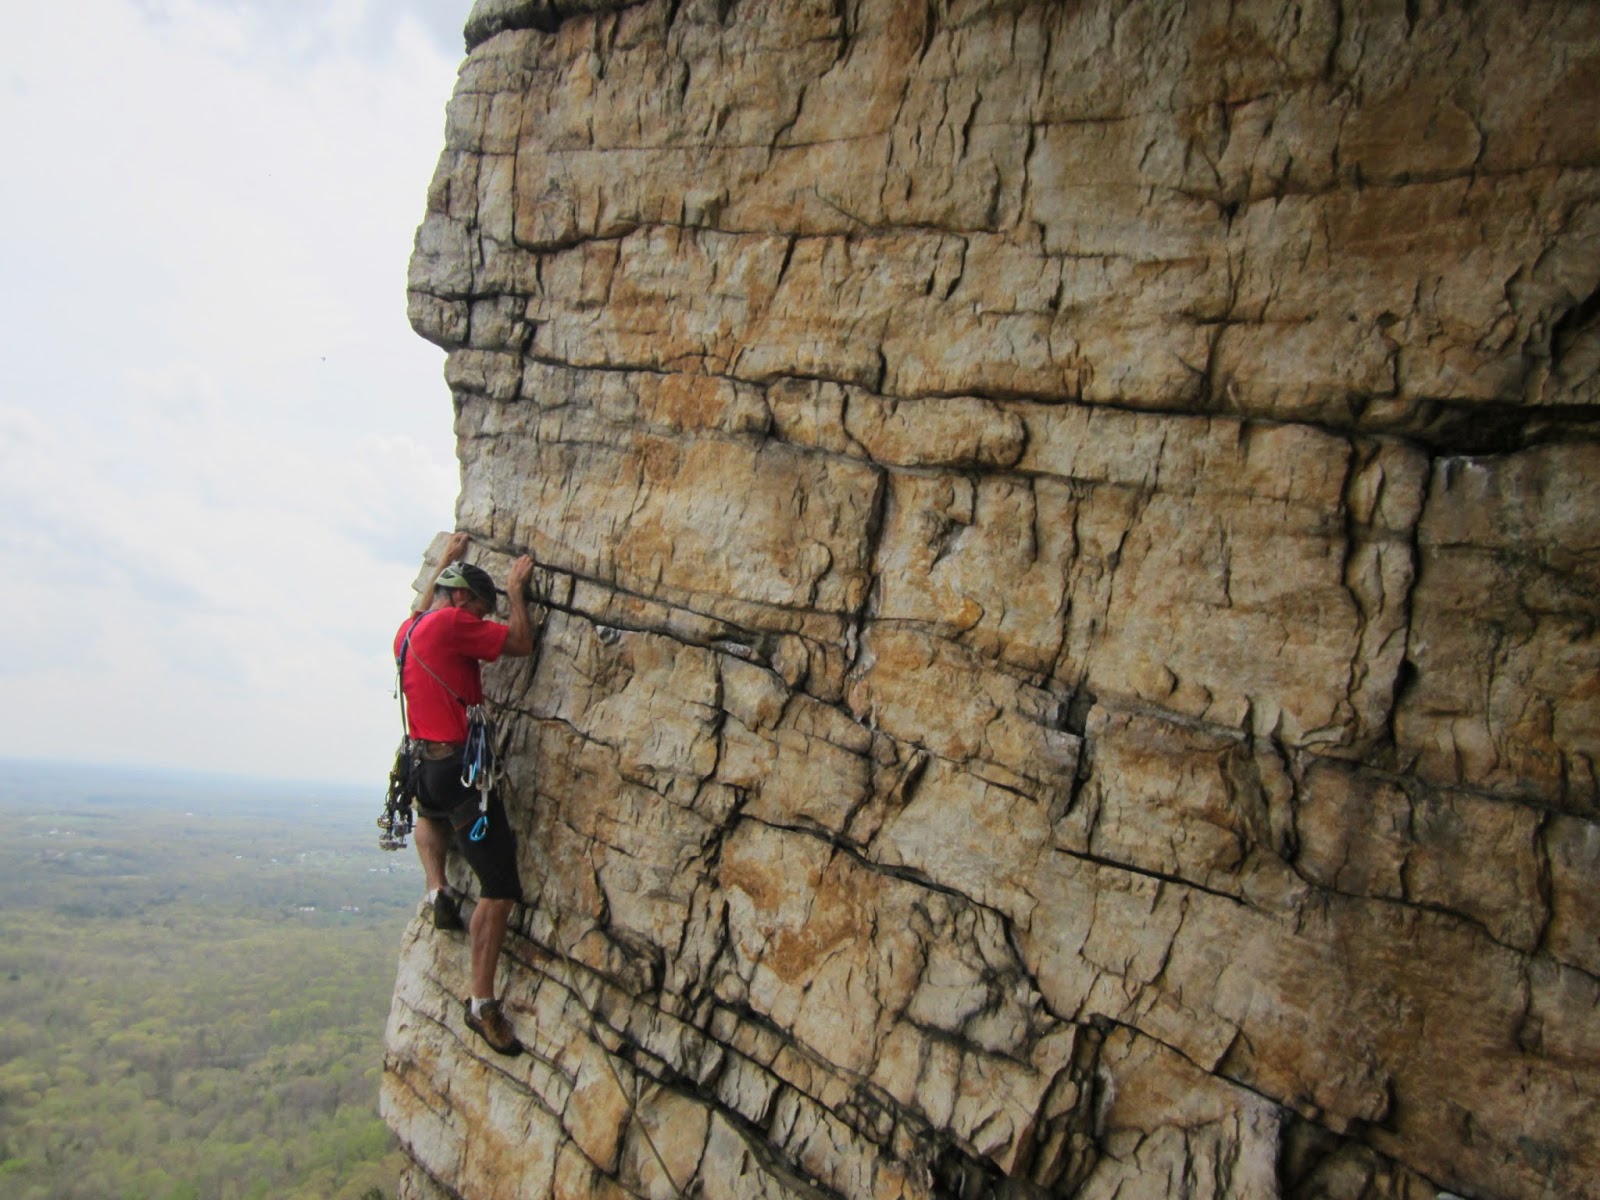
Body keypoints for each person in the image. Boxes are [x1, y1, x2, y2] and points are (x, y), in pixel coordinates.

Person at [395, 532, 537, 1056]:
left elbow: (422, 602)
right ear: (463, 603)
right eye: (481, 609)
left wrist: (446, 561)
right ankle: (481, 1003)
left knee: (426, 814)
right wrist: (515, 592)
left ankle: (438, 890)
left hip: (421, 765)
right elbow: (519, 643)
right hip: (459, 771)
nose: (481, 619)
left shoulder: (408, 632)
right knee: (498, 886)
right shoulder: (457, 622)